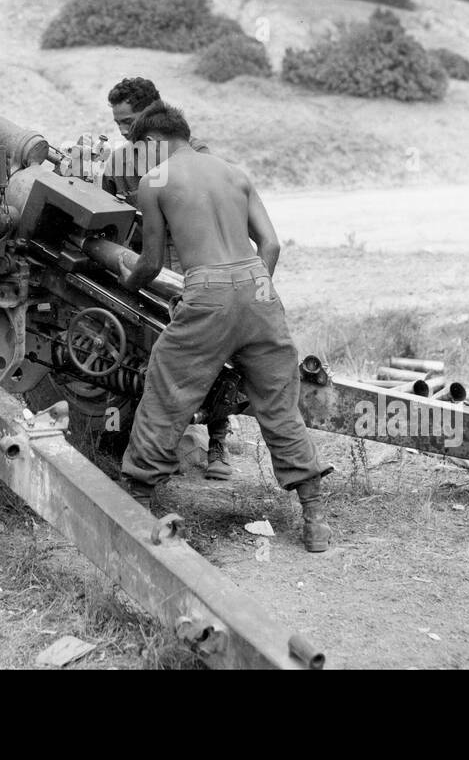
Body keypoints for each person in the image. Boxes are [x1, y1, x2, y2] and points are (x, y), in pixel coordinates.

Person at [116, 101, 332, 552]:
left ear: (154, 142)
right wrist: (249, 293)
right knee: (279, 405)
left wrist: (128, 278)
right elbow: (270, 244)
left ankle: (136, 499)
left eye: (139, 150)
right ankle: (314, 519)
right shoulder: (235, 173)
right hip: (258, 289)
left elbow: (152, 262)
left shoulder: (154, 181)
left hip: (207, 294)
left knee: (167, 391)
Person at [104, 77, 234, 480]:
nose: (125, 132)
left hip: (194, 265)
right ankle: (129, 440)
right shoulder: (120, 162)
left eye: (130, 121)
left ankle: (217, 442)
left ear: (155, 114)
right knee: (136, 346)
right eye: (118, 124)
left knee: (212, 354)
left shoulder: (197, 157)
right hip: (146, 262)